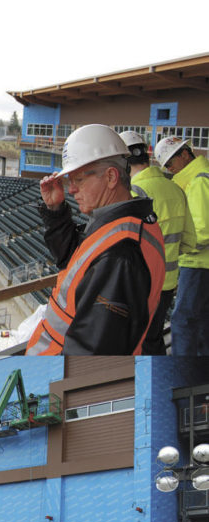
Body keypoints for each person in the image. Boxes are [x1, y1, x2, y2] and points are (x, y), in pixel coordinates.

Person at [25, 123, 166, 356]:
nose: (71, 190)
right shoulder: (117, 223)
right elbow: (74, 261)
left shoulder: (120, 254)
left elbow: (92, 352)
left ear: (111, 177)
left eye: (78, 180)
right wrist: (56, 210)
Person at [120, 130, 195, 355]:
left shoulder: (133, 192)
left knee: (139, 343)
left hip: (142, 284)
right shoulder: (176, 188)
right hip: (169, 282)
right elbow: (190, 241)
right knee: (154, 338)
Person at [154, 136, 209, 356]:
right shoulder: (196, 179)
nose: (170, 169)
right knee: (201, 320)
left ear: (185, 154)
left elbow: (203, 230)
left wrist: (179, 247)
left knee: (183, 320)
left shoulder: (198, 181)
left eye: (170, 163)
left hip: (197, 264)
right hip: (199, 264)